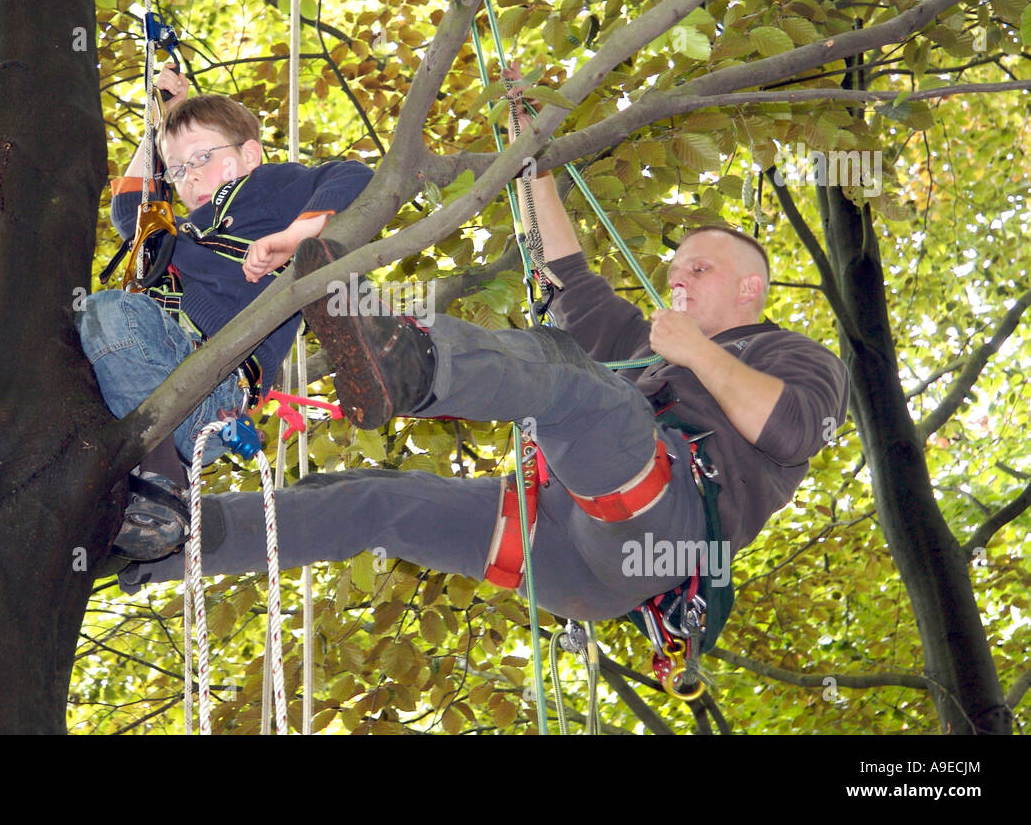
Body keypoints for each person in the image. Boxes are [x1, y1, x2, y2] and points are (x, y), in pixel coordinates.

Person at [117, 103, 849, 654]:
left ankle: (412, 363)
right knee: (376, 503)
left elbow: (789, 428)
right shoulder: (647, 346)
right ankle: (156, 544)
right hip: (568, 555)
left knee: (575, 380)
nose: (676, 277)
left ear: (751, 290)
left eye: (699, 266)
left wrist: (696, 351)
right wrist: (532, 162)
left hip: (668, 526)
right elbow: (569, 279)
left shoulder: (793, 356)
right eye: (676, 264)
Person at [81, 66, 371, 559]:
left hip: (217, 376)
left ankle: (162, 480)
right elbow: (128, 209)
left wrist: (291, 240)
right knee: (91, 325)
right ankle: (155, 480)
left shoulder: (264, 190)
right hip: (166, 387)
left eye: (201, 158)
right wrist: (159, 125)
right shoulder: (176, 232)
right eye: (177, 170)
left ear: (249, 155)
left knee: (109, 312)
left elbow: (353, 175)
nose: (189, 176)